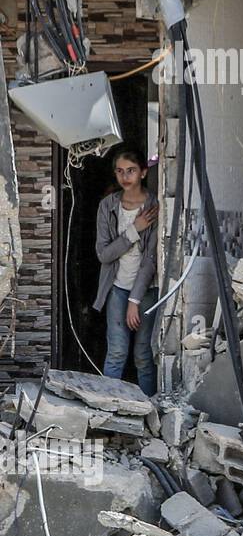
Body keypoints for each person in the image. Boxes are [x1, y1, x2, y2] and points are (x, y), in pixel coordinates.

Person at [94, 147, 159, 395]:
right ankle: (108, 408)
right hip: (116, 288)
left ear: (143, 172)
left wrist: (135, 299)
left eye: (131, 171)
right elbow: (104, 254)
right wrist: (135, 229)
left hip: (146, 290)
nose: (125, 177)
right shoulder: (108, 207)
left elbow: (150, 260)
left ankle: (150, 412)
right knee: (117, 352)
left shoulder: (154, 206)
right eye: (120, 171)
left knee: (143, 354)